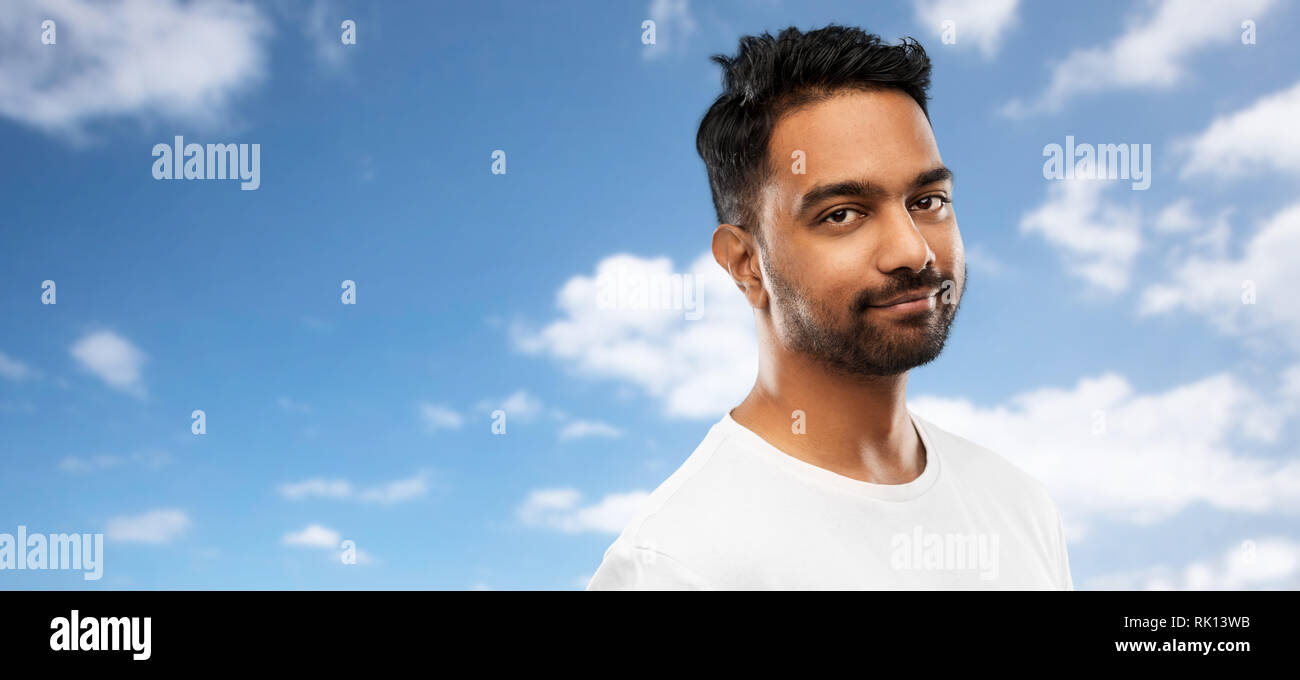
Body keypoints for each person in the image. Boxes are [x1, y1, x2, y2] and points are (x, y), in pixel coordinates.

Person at [587, 25, 1073, 590]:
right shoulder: (676, 564)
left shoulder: (1020, 507)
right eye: (842, 213)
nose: (912, 250)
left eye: (928, 201)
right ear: (746, 264)